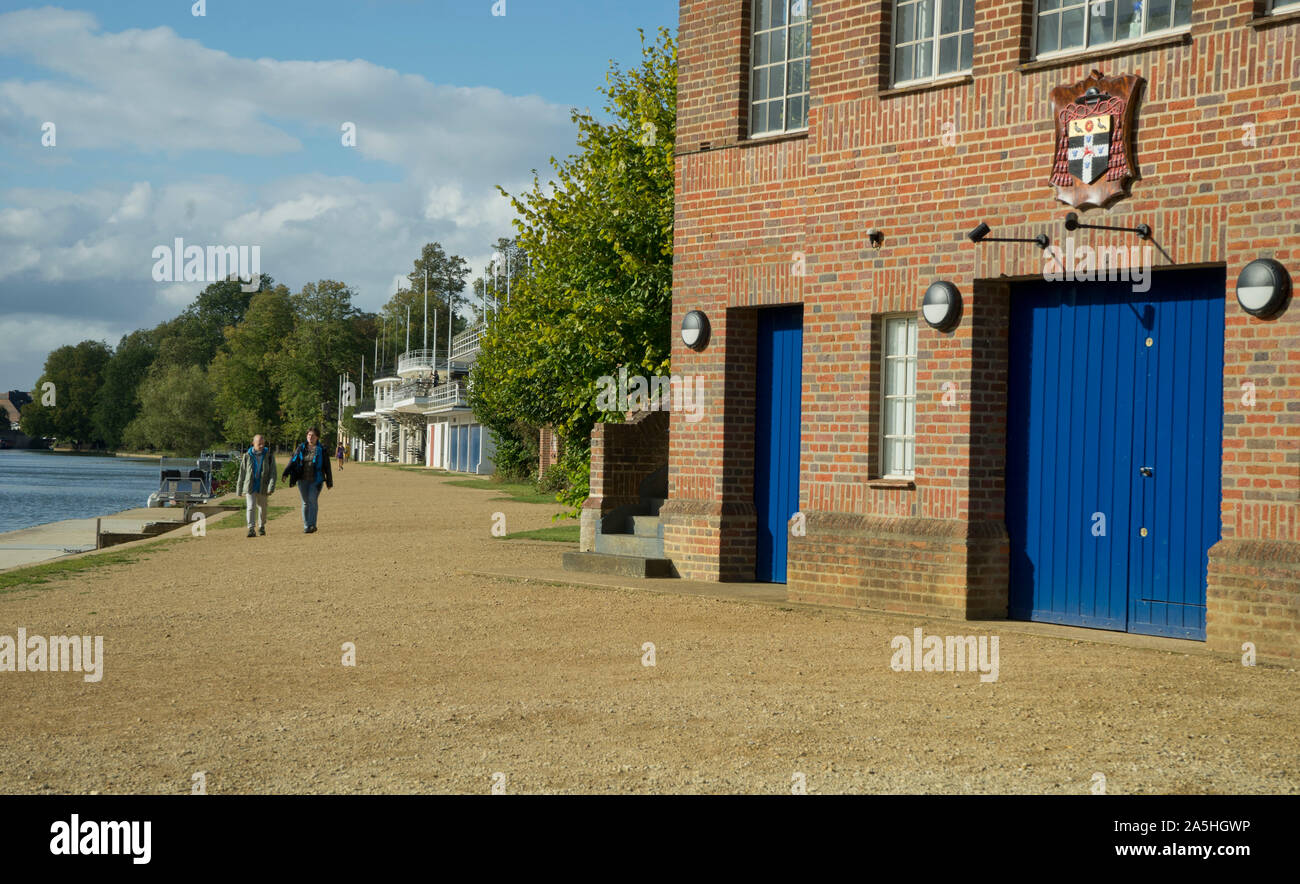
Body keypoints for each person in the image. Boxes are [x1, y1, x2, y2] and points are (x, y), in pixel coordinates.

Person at [286, 426, 332, 534]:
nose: (310, 437)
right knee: (305, 502)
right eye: (309, 435)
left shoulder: (322, 449)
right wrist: (286, 473)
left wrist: (329, 481)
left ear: (317, 437)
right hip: (302, 480)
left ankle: (312, 524)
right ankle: (306, 525)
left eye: (313, 435)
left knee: (312, 500)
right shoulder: (301, 448)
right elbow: (293, 461)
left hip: (316, 480)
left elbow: (327, 466)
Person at [236, 434, 277, 538]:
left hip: (263, 486)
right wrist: (239, 489)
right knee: (250, 507)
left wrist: (270, 487)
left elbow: (273, 473)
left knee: (262, 508)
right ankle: (251, 528)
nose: (262, 445)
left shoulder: (269, 456)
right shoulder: (247, 456)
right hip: (250, 485)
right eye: (259, 443)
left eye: (263, 443)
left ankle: (262, 526)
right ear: (253, 443)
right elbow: (242, 473)